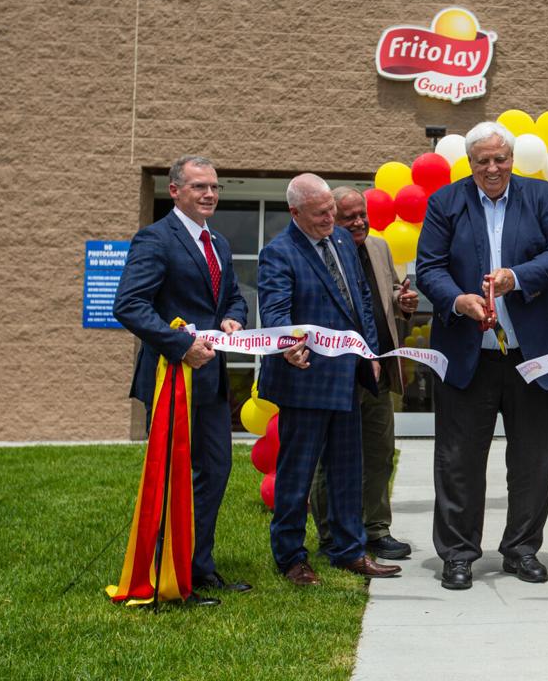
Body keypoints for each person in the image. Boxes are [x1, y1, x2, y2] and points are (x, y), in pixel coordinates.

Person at [415, 121, 548, 591]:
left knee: (532, 460)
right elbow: (429, 267)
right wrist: (457, 300)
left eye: (499, 159)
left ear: (512, 159)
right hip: (467, 353)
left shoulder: (542, 198)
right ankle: (459, 554)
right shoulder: (445, 202)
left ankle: (522, 549)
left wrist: (517, 277)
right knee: (458, 461)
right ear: (470, 163)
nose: (492, 168)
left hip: (532, 356)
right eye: (482, 160)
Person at [114, 155, 250, 606]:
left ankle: (197, 566)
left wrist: (232, 318)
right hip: (171, 378)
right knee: (174, 477)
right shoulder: (155, 239)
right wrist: (178, 345)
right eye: (198, 187)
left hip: (210, 382)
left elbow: (232, 297)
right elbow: (130, 305)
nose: (209, 194)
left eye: (214, 187)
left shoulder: (220, 244)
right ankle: (163, 576)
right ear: (175, 191)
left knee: (214, 471)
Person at [257, 173, 400, 586]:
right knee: (297, 475)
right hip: (304, 381)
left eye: (331, 210)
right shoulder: (278, 253)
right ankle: (290, 558)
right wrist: (287, 343)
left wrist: (370, 353)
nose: (330, 219)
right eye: (320, 213)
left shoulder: (340, 241)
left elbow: (362, 301)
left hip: (348, 376)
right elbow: (275, 309)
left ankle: (349, 550)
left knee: (347, 470)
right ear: (295, 212)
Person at [309, 186, 418, 561]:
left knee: (379, 452)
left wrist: (403, 304)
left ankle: (376, 529)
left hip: (378, 370)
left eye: (362, 215)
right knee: (331, 458)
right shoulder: (320, 251)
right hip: (336, 373)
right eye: (348, 217)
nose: (358, 223)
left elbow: (386, 296)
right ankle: (329, 536)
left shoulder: (379, 248)